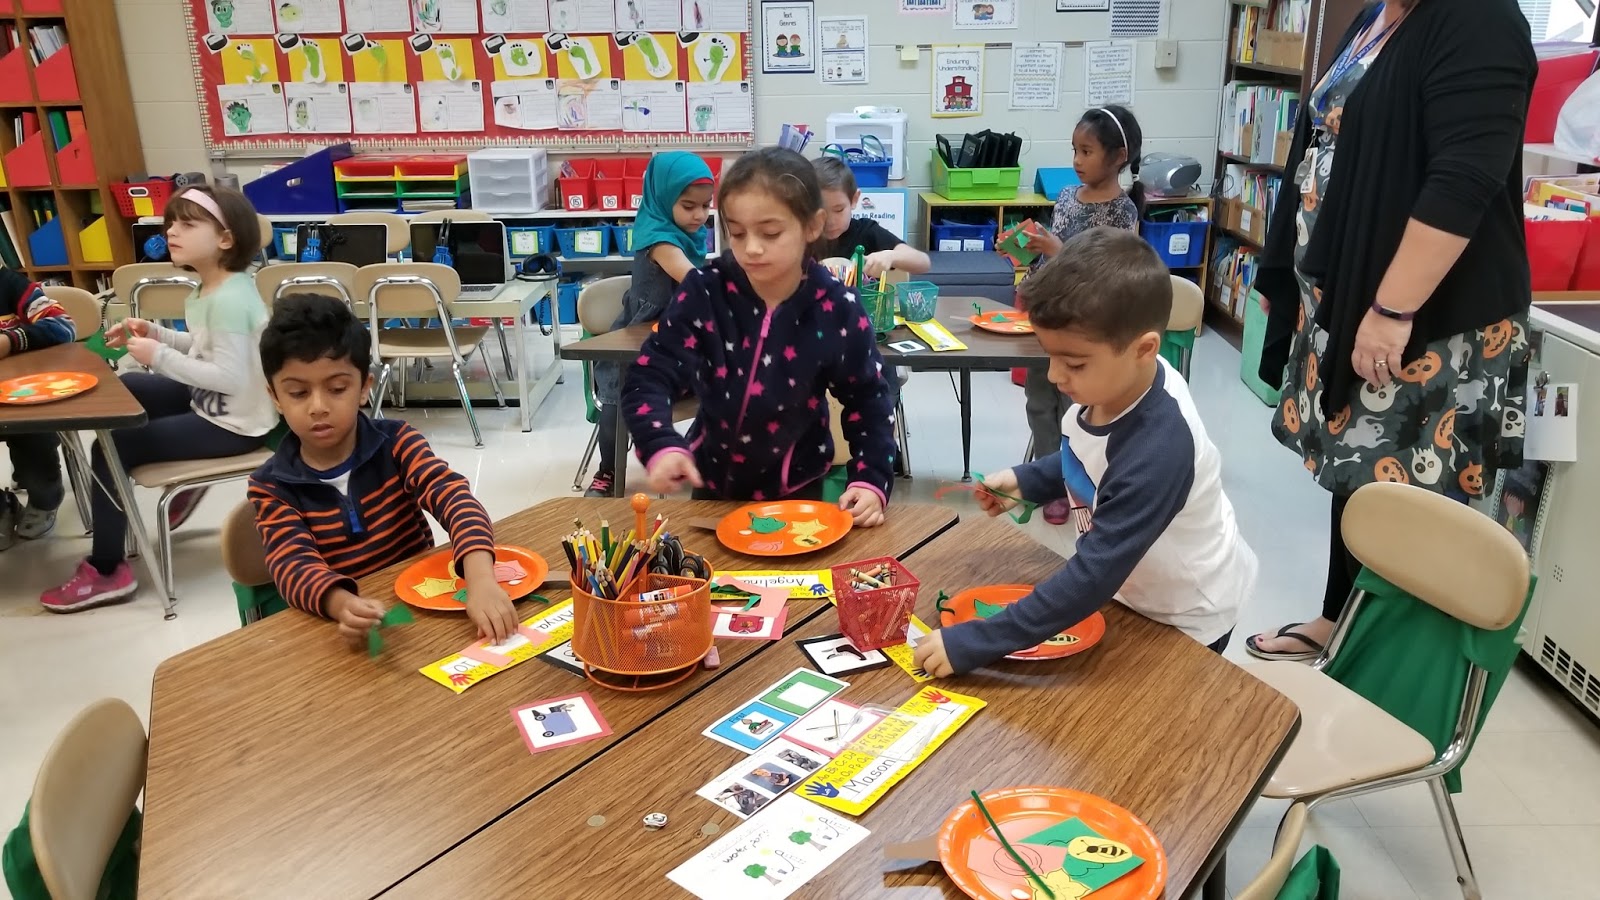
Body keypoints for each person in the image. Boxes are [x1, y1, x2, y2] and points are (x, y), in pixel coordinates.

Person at [1246, 0, 1536, 661]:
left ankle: (1380, 661)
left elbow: (1465, 177)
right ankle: (1336, 620)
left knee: (1404, 487)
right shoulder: (1382, 15)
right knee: (1357, 468)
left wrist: (1392, 309)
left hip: (1428, 317)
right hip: (1352, 295)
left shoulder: (1479, 17)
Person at [913, 228, 1255, 677]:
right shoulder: (1118, 381)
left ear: (1143, 349)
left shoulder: (1160, 448)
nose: (1054, 375)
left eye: (1073, 363)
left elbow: (1092, 576)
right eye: (1050, 355)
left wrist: (976, 641)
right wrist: (1029, 479)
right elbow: (1091, 455)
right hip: (1130, 586)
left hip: (1185, 613)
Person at [622, 147, 896, 524]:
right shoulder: (705, 291)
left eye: (770, 232)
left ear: (812, 226)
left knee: (790, 583)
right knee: (719, 582)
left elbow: (870, 401)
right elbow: (649, 375)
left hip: (797, 492)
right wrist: (660, 442)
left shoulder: (838, 307)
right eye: (736, 232)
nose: (750, 247)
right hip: (712, 487)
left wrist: (870, 479)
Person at [39, 186, 278, 612]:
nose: (171, 231)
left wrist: (160, 356)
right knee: (133, 386)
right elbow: (208, 349)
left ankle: (108, 569)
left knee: (115, 444)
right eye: (172, 222)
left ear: (226, 240)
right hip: (212, 404)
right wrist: (159, 335)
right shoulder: (212, 288)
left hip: (234, 424)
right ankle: (138, 509)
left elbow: (227, 375)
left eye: (188, 223)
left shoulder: (228, 299)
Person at [248, 294, 518, 648]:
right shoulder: (270, 486)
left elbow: (454, 498)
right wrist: (341, 604)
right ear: (274, 397)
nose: (318, 407)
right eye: (298, 393)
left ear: (364, 388)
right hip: (344, 628)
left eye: (337, 389)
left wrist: (481, 578)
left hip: (421, 613)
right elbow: (292, 566)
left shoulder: (396, 443)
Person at [1018, 105, 1145, 526]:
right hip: (1050, 317)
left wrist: (1058, 250)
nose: (1076, 160)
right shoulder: (1067, 197)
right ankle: (1046, 477)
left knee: (1079, 406)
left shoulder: (1123, 212)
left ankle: (1079, 480)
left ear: (1117, 158)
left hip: (1090, 327)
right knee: (1040, 399)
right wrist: (1027, 251)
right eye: (1074, 149)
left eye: (1086, 151)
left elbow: (1114, 276)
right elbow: (1049, 257)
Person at [585, 151, 714, 497]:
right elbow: (693, 281)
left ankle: (692, 456)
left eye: (706, 206)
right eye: (689, 206)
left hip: (678, 347)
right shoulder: (659, 239)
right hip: (632, 346)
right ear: (663, 197)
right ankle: (608, 470)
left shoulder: (690, 236)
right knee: (617, 402)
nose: (700, 215)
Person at [0, 268, 75, 549]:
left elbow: (65, 326)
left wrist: (11, 341)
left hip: (23, 401)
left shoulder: (11, 285)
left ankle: (45, 499)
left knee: (36, 461)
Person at [812, 157, 930, 278]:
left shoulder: (866, 231)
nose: (830, 221)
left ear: (854, 199)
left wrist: (891, 256)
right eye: (821, 213)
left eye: (839, 210)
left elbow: (923, 262)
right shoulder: (804, 236)